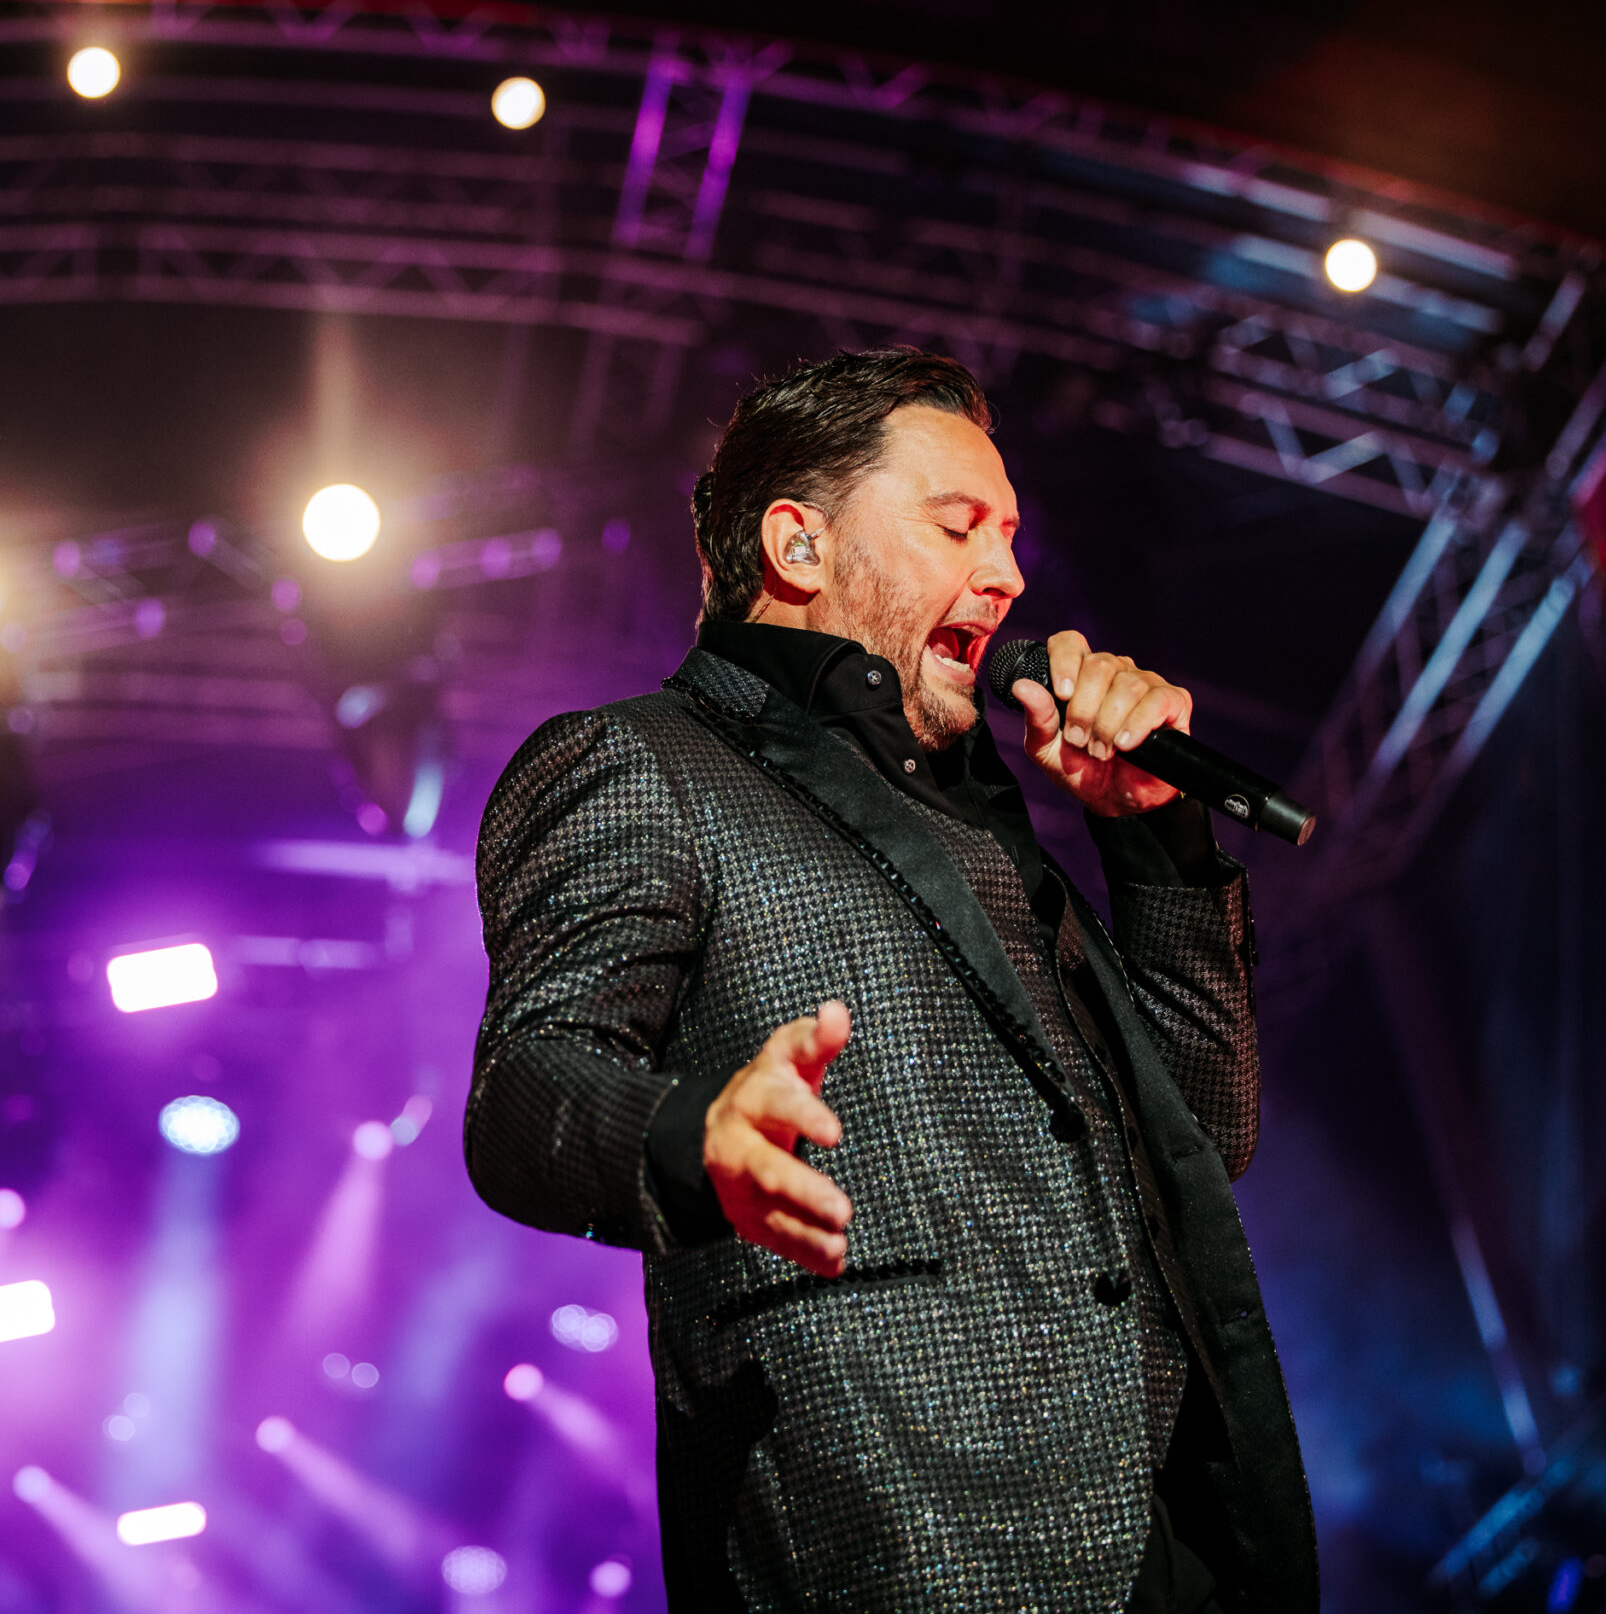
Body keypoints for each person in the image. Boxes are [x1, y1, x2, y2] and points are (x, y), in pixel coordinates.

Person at [464, 349, 1315, 1610]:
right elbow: (524, 1088)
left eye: (1013, 536)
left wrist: (1154, 841)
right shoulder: (643, 766)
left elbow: (1205, 1138)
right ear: (798, 549)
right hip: (907, 1544)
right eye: (956, 524)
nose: (1009, 574)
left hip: (1172, 1549)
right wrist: (692, 1133)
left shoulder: (995, 827)